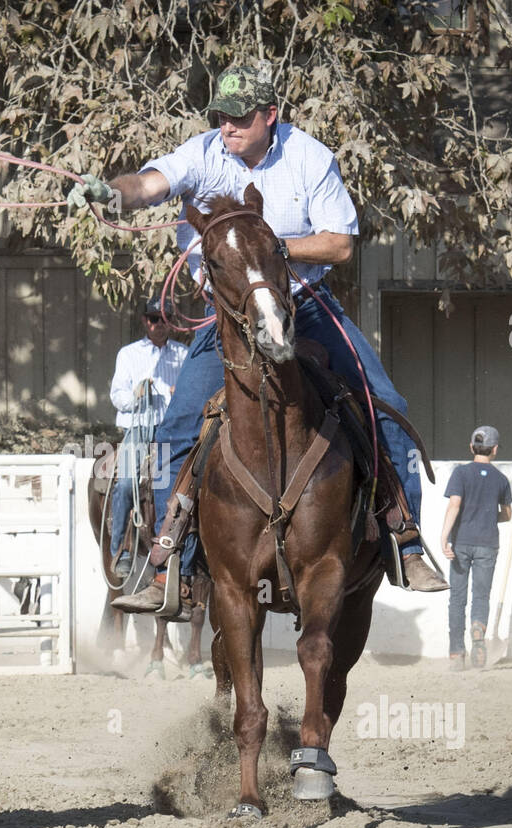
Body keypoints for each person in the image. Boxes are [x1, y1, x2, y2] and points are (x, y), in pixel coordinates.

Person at [67, 63, 449, 617]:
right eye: (222, 117)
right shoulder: (201, 153)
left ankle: (405, 540)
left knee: (387, 406)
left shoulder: (310, 158)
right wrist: (111, 193)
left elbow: (340, 244)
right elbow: (148, 184)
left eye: (241, 117)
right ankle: (170, 563)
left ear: (271, 115)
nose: (228, 127)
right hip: (226, 318)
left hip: (306, 306)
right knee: (176, 429)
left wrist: (272, 250)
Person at [107, 296, 188, 577]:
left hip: (170, 432)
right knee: (128, 483)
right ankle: (120, 550)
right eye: (154, 319)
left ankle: (180, 552)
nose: (158, 325)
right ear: (145, 321)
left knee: (178, 488)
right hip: (139, 429)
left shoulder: (183, 355)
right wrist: (136, 395)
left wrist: (181, 396)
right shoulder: (128, 355)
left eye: (164, 319)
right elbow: (117, 396)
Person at [440, 425, 512, 670]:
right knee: (481, 596)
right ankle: (479, 629)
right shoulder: (501, 479)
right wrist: (489, 514)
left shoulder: (460, 474)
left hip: (461, 543)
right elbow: (507, 514)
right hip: (488, 544)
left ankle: (456, 654)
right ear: (495, 450)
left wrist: (444, 537)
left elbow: (454, 506)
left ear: (472, 447)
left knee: (457, 599)